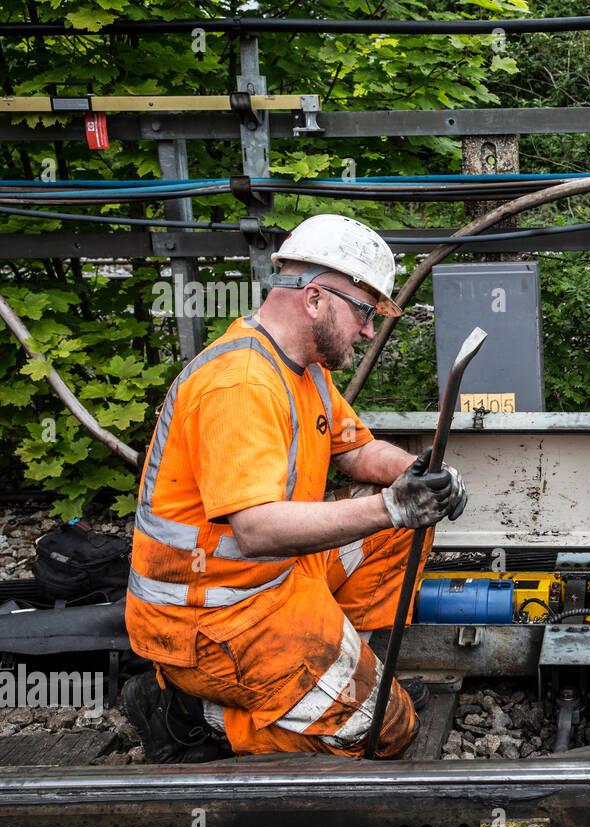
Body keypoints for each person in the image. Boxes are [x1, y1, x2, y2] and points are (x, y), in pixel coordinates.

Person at [123, 214, 466, 762]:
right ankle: (191, 715)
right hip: (213, 617)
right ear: (314, 299)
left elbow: (355, 449)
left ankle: (339, 671)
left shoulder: (306, 370)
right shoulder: (238, 384)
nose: (369, 329)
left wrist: (419, 473)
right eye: (365, 311)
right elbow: (257, 531)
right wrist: (391, 506)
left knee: (401, 534)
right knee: (387, 729)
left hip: (275, 581)